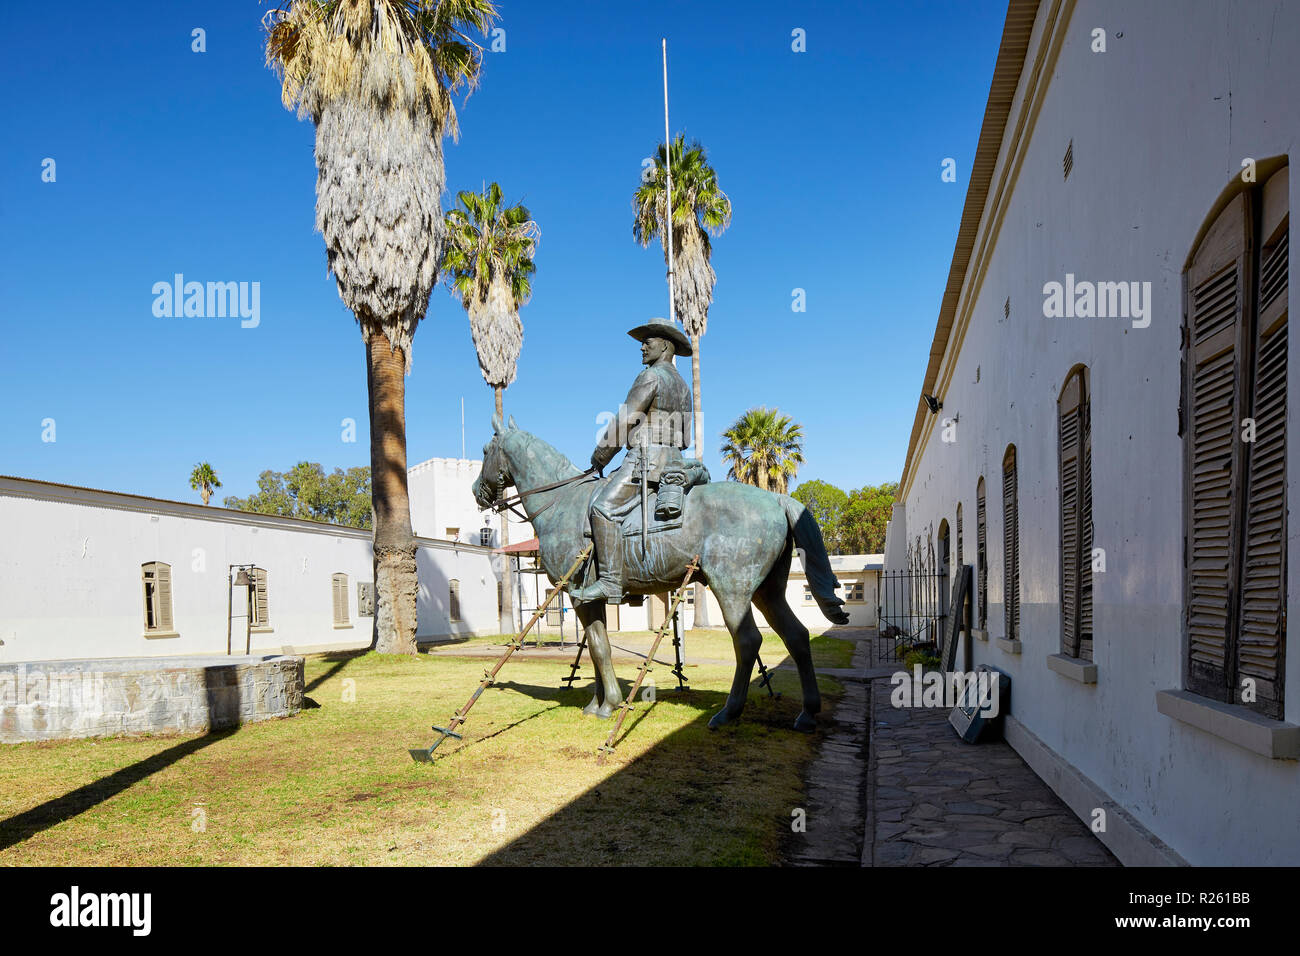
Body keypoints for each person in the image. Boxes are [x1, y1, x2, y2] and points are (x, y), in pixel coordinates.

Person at [569, 317, 692, 603]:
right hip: (674, 464)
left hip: (644, 463)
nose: (642, 348)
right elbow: (686, 438)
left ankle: (611, 582)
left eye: (647, 343)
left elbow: (625, 421)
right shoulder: (683, 386)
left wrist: (600, 456)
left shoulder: (650, 376)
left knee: (602, 509)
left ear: (663, 346)